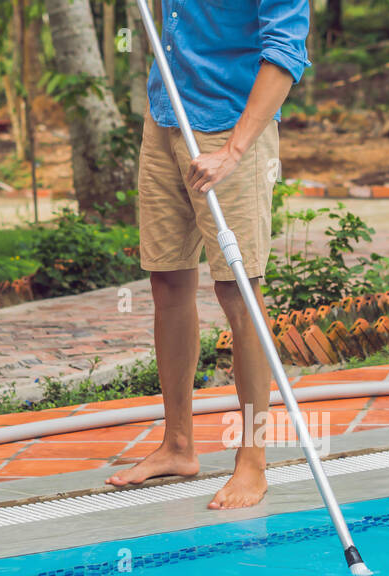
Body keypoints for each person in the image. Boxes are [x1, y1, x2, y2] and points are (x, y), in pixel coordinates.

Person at [107, 1, 310, 509]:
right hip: (166, 117)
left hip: (230, 129)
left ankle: (253, 461)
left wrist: (235, 151)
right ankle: (178, 444)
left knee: (238, 291)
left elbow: (286, 54)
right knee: (167, 279)